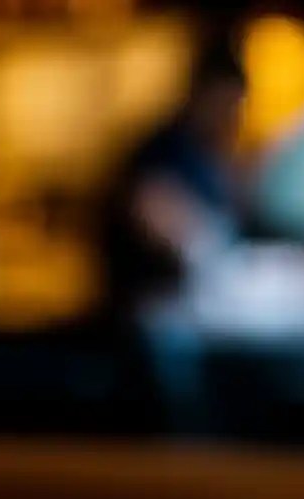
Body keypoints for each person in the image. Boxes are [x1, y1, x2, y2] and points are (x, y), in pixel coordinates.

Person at [97, 37, 246, 330]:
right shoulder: (165, 150)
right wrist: (202, 244)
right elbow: (149, 206)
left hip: (198, 315)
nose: (231, 119)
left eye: (236, 108)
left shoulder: (213, 156)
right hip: (146, 318)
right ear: (201, 95)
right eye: (225, 106)